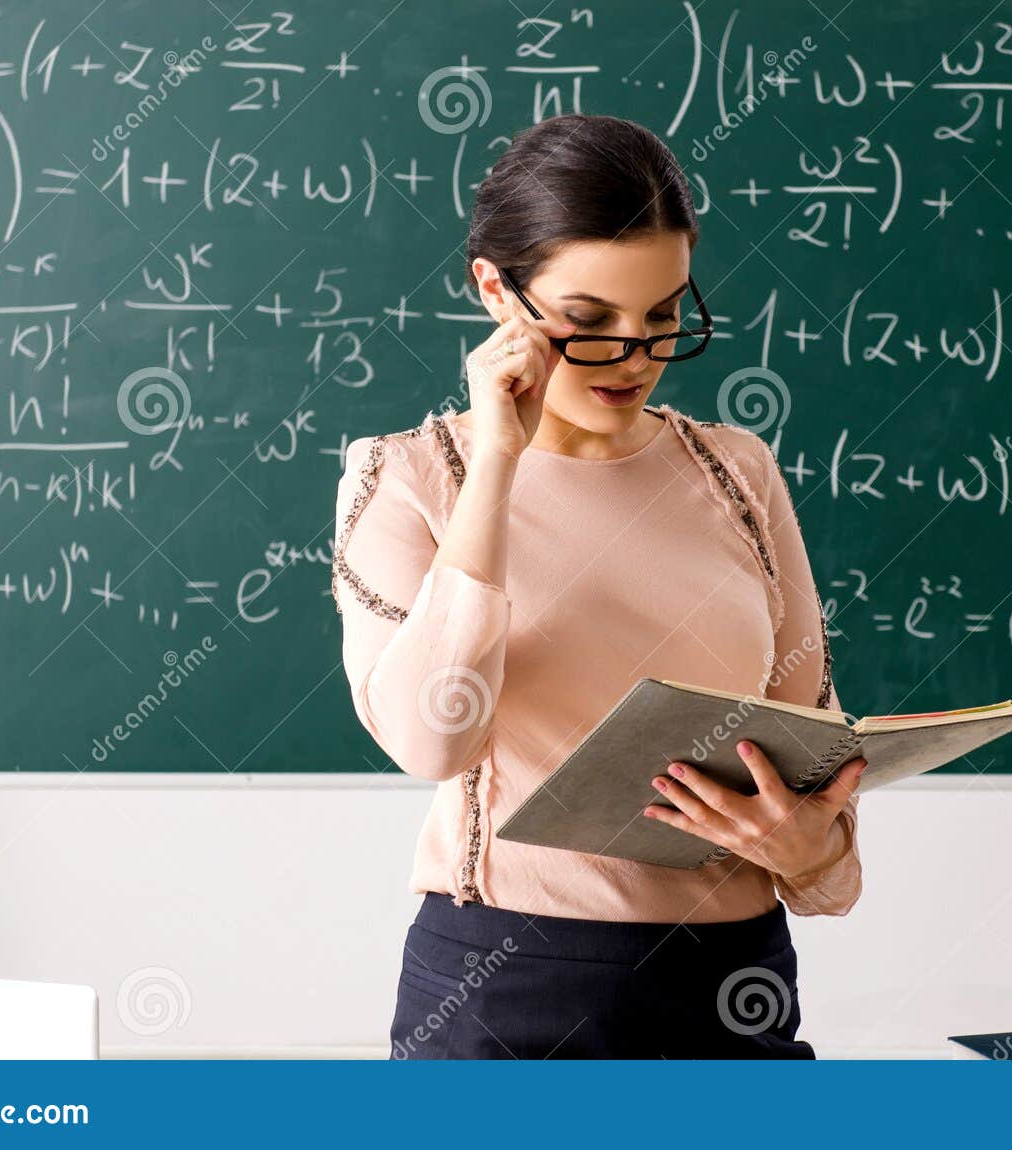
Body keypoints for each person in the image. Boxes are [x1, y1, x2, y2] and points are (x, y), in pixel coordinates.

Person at [332, 113, 865, 1059]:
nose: (634, 356)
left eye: (663, 317)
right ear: (497, 291)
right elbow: (430, 738)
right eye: (589, 324)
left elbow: (811, 755)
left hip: (733, 986)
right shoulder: (408, 477)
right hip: (506, 987)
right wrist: (498, 465)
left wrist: (809, 851)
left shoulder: (738, 473)